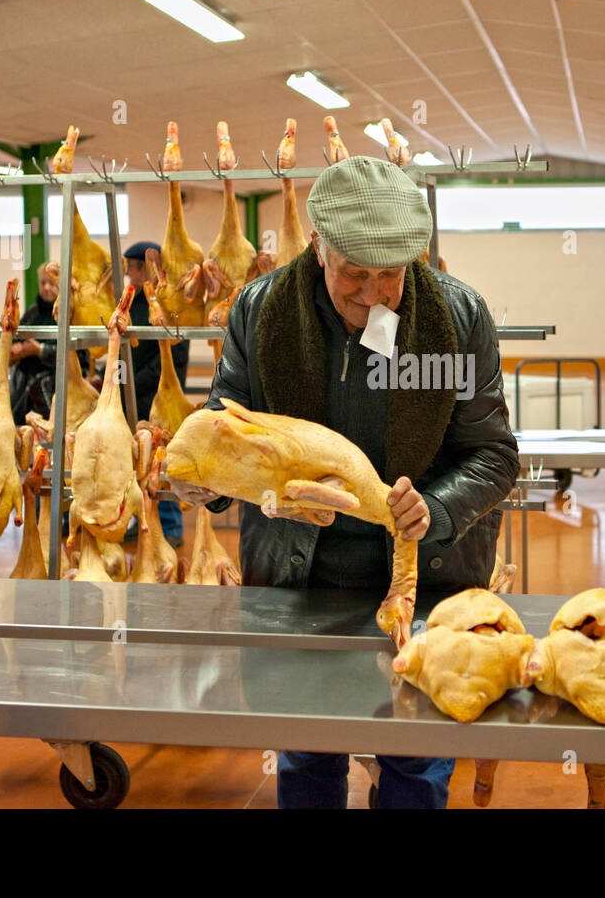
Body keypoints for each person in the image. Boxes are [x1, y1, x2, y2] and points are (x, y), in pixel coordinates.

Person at [171, 156, 519, 808]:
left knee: (416, 766)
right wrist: (205, 485)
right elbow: (224, 444)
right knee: (306, 757)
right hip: (303, 586)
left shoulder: (458, 317)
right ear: (316, 247)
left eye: (390, 276)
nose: (374, 295)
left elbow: (494, 456)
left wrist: (435, 510)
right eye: (353, 274)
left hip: (425, 584)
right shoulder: (261, 310)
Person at [122, 240, 187, 546]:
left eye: (130, 268)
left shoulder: (168, 302)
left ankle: (172, 527)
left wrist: (134, 382)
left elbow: (176, 353)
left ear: (144, 267)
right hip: (133, 395)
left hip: (160, 394)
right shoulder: (131, 302)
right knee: (138, 461)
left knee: (165, 460)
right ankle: (142, 519)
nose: (127, 274)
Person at [9, 263, 87, 425]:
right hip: (24, 387)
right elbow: (15, 342)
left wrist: (40, 350)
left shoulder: (71, 314)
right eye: (42, 283)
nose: (46, 287)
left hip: (58, 387)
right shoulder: (31, 313)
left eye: (51, 283)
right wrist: (16, 350)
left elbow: (79, 354)